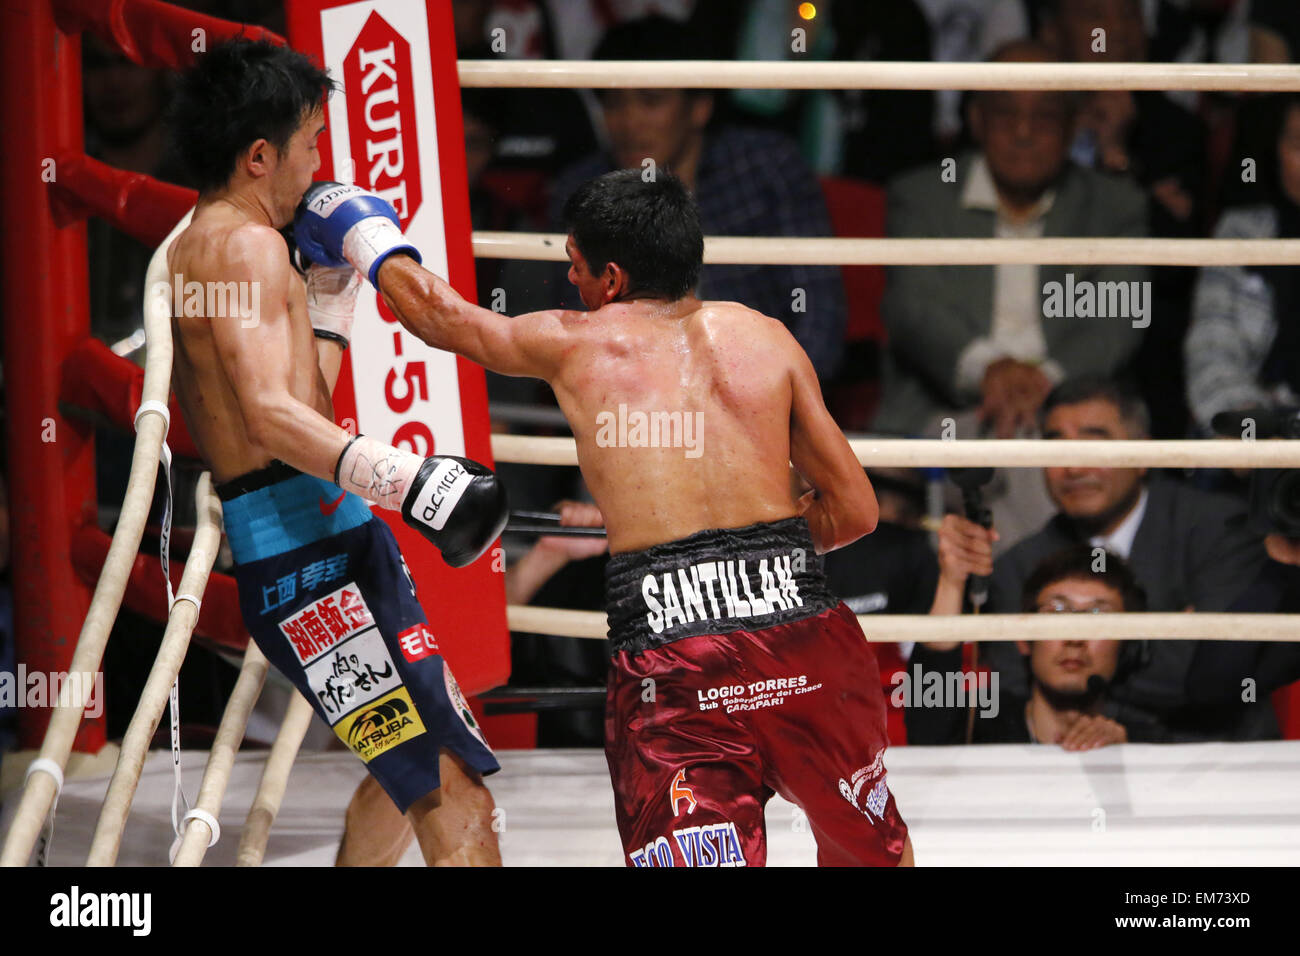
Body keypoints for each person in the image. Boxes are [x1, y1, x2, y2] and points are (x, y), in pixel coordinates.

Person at [294, 168, 913, 866]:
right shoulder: (766, 338)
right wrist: (763, 557)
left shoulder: (575, 341)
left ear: (611, 279)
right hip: (806, 642)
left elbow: (441, 318)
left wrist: (357, 229)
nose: (572, 287)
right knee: (871, 854)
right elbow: (856, 509)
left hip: (676, 661)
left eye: (577, 269)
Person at [164, 39, 508, 866]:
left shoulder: (215, 243)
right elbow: (273, 419)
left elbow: (292, 394)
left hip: (310, 540)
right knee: (450, 788)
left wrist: (329, 298)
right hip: (309, 551)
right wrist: (411, 481)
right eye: (311, 142)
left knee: (426, 765)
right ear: (259, 156)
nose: (321, 162)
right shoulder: (240, 246)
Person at [934, 376, 1273, 741]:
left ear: (1143, 454)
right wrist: (1165, 644)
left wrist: (1072, 682)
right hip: (1063, 767)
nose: (1074, 468)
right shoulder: (1017, 564)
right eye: (1057, 450)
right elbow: (1016, 694)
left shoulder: (1220, 529)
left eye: (1093, 446)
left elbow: (1219, 678)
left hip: (1220, 760)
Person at [908, 545, 1142, 747]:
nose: (1075, 639)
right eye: (1056, 612)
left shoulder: (1146, 737)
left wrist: (1128, 757)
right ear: (1023, 639)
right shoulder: (979, 723)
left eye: (1098, 616)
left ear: (1125, 645)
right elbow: (927, 725)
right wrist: (952, 581)